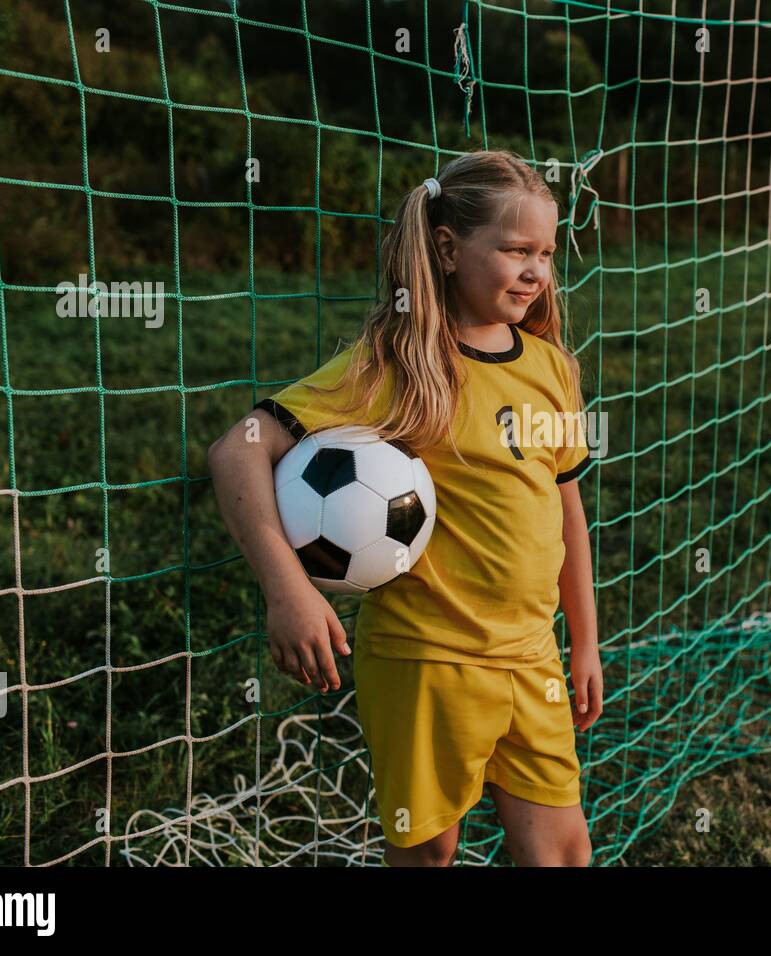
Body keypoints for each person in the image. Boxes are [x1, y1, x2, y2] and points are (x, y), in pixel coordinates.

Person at [207, 148, 602, 866]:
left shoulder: (552, 368)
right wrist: (288, 588)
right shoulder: (396, 366)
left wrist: (585, 640)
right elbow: (237, 449)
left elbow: (566, 510)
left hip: (532, 656)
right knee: (428, 854)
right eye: (516, 249)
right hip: (427, 659)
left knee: (562, 851)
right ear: (448, 249)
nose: (536, 270)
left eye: (545, 252)